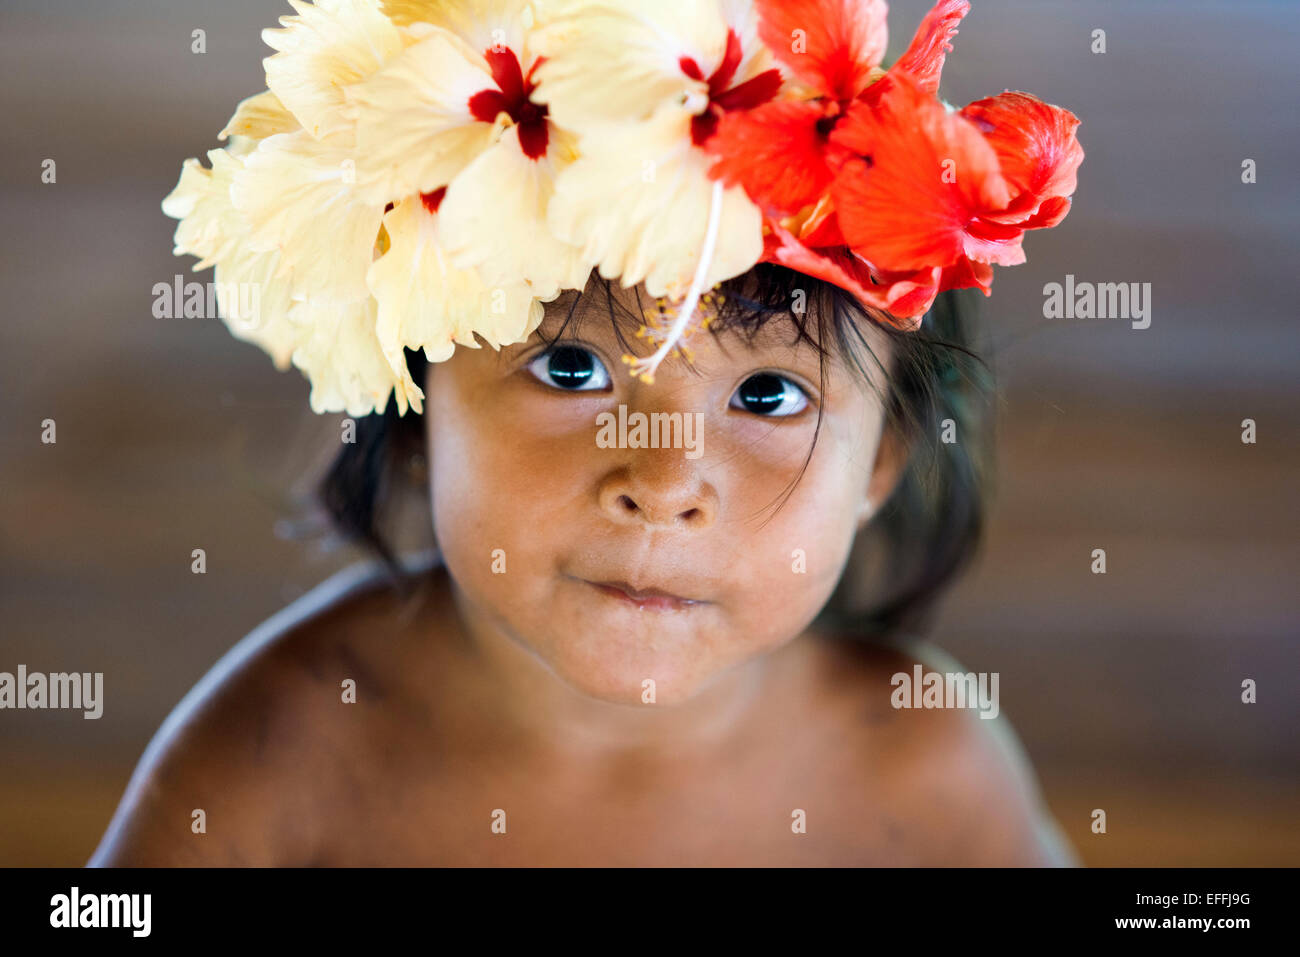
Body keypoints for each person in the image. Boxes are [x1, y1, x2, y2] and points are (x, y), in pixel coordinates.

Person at [89, 0, 1083, 866]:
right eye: (572, 370)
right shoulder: (284, 748)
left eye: (770, 397)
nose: (662, 480)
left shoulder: (917, 759)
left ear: (882, 464)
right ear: (414, 408)